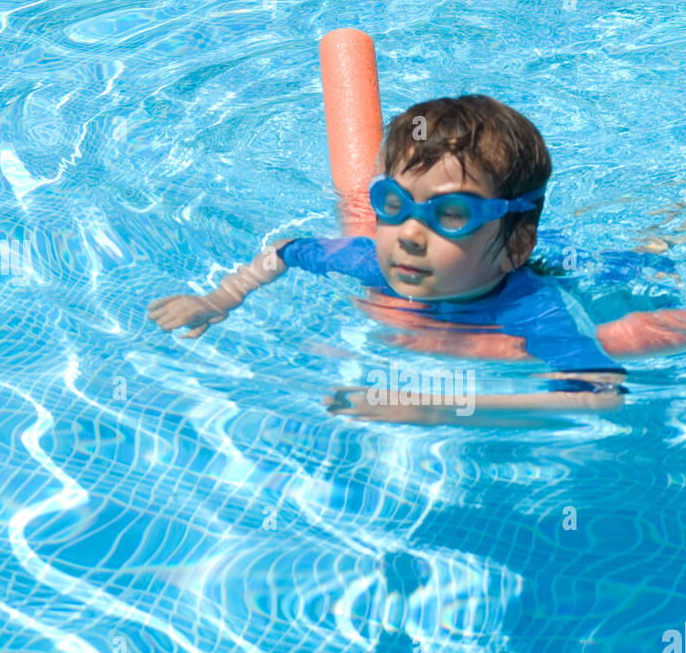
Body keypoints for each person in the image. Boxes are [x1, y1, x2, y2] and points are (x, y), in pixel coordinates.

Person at [147, 95, 634, 422]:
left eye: (450, 213)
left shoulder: (531, 309)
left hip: (593, 269)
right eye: (395, 205)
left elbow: (602, 396)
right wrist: (220, 300)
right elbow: (287, 252)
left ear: (517, 246)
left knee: (642, 251)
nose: (409, 237)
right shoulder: (371, 261)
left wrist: (439, 408)